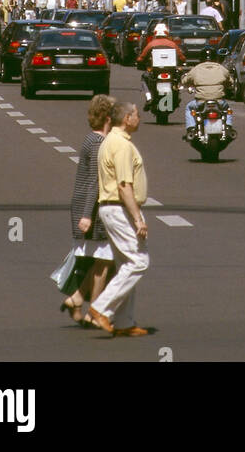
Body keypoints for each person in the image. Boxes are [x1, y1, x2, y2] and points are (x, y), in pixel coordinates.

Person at [87, 101, 150, 337]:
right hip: (119, 207)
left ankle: (124, 322)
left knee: (125, 264)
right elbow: (124, 186)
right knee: (138, 261)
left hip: (112, 207)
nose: (139, 118)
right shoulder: (121, 145)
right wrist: (138, 218)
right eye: (136, 114)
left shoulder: (109, 141)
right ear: (126, 118)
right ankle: (100, 308)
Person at [61, 94, 116, 324]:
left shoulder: (93, 140)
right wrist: (86, 216)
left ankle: (76, 298)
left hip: (90, 206)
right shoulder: (97, 144)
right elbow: (95, 180)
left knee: (101, 261)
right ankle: (95, 312)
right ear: (107, 117)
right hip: (92, 208)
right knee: (104, 262)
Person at [180, 54, 235, 136]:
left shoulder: (196, 69)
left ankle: (191, 129)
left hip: (201, 102)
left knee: (189, 107)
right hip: (219, 101)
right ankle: (228, 127)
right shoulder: (221, 68)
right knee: (227, 109)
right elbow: (230, 81)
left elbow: (185, 81)